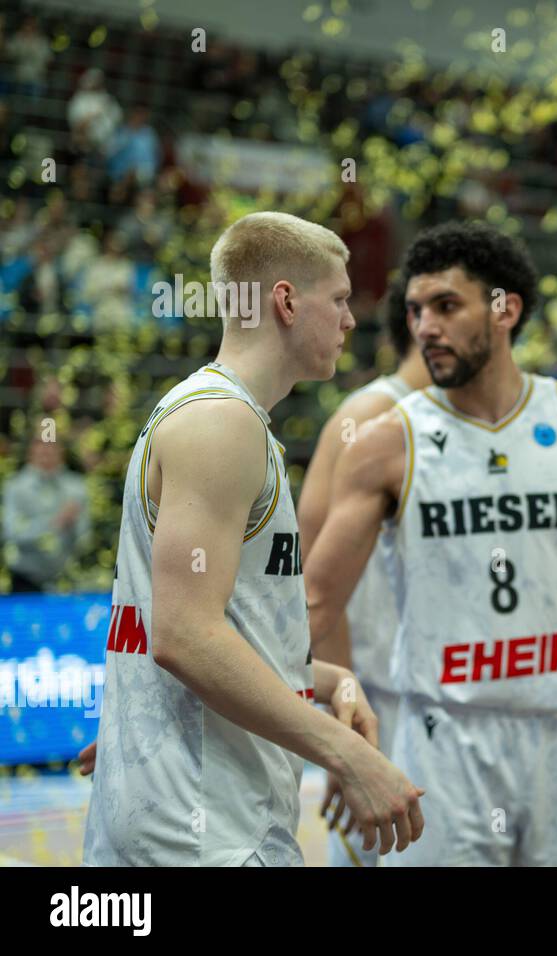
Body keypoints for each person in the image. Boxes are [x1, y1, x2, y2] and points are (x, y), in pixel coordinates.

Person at [304, 221, 557, 866]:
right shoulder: (385, 440)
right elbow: (317, 602)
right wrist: (328, 742)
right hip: (443, 737)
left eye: (445, 306)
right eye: (414, 310)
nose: (424, 327)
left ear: (504, 310)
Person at [81, 211, 424, 866]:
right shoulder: (222, 422)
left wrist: (334, 680)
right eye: (341, 299)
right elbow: (185, 635)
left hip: (199, 816)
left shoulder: (223, 416)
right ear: (286, 301)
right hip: (200, 836)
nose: (352, 320)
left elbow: (201, 629)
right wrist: (346, 753)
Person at [298, 284, 431, 867]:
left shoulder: (474, 419)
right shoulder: (371, 415)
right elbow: (311, 585)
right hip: (378, 697)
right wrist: (343, 731)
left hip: (440, 697)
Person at [2, 432, 90, 592]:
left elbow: (85, 539)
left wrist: (73, 523)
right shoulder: (15, 487)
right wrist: (55, 522)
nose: (46, 451)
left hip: (67, 581)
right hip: (25, 580)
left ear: (61, 451)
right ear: (31, 451)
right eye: (41, 445)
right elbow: (11, 533)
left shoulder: (76, 487)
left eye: (51, 445)